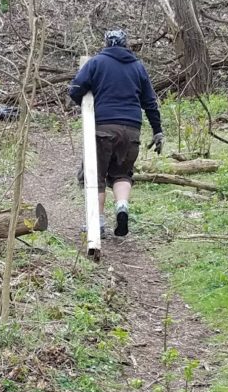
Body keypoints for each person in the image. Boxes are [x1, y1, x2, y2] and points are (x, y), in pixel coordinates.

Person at [68, 29, 164, 238]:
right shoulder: (137, 66)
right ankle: (121, 206)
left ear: (106, 43)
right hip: (132, 130)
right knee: (122, 174)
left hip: (103, 127)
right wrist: (157, 130)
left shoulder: (96, 63)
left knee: (96, 175)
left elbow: (75, 89)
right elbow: (150, 102)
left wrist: (86, 102)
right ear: (125, 44)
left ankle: (98, 222)